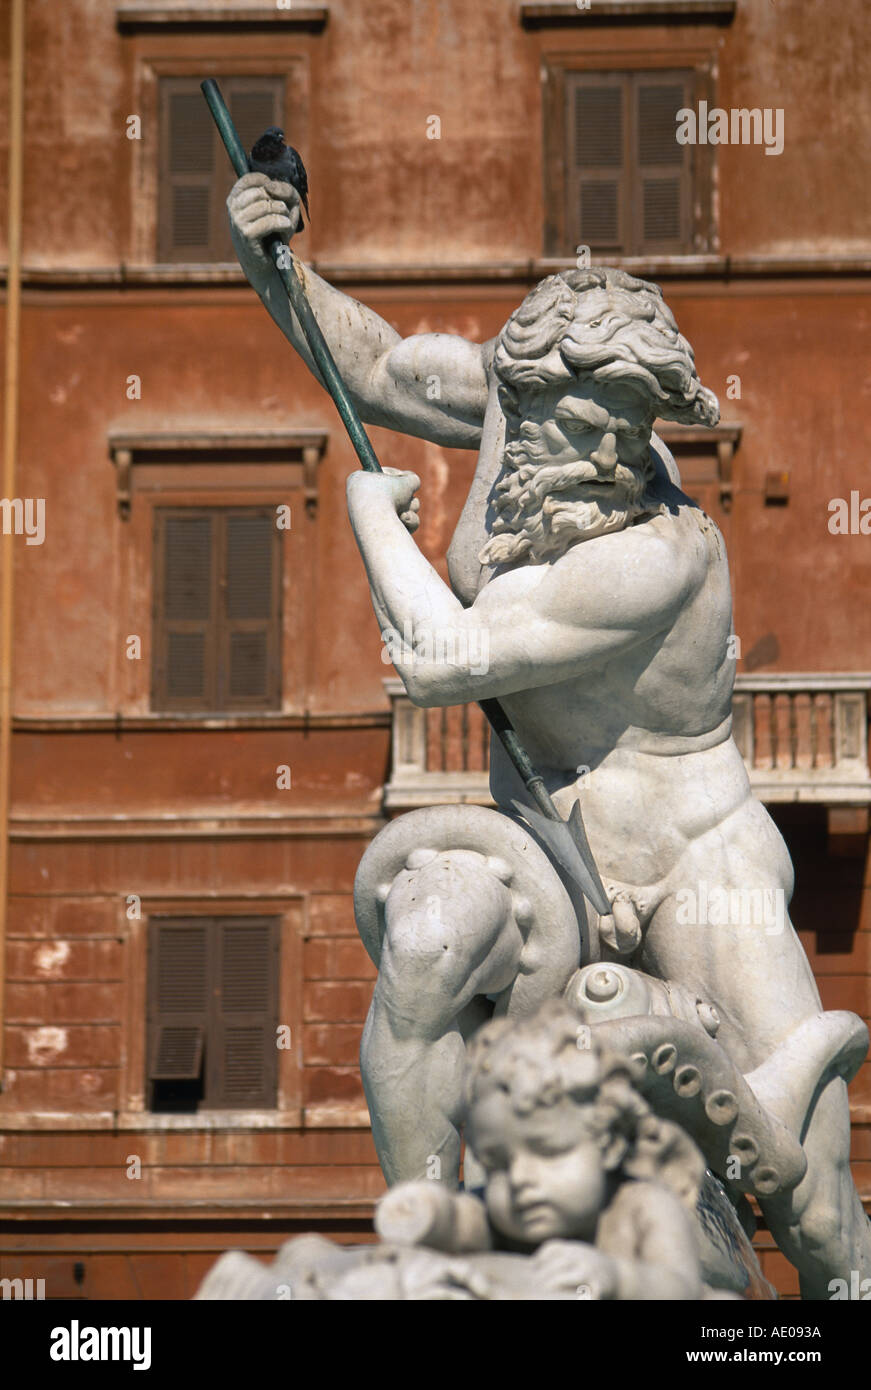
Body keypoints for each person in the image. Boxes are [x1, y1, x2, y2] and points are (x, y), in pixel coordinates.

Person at [227, 172, 871, 1297]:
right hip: (545, 844)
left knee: (807, 1191)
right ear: (517, 397)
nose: (609, 456)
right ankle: (425, 1241)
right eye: (584, 425)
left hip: (691, 859)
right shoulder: (497, 401)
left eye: (632, 432)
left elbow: (444, 659)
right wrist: (271, 258)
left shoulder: (660, 551)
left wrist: (372, 514)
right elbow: (365, 365)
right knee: (426, 949)